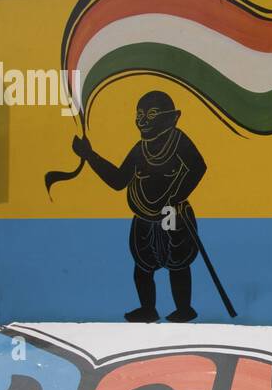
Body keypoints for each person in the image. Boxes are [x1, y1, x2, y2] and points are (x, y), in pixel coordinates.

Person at [72, 90, 207, 322]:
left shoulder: (178, 140)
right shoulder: (140, 149)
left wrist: (176, 197)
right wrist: (89, 155)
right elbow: (118, 181)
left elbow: (198, 167)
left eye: (151, 115)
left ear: (171, 117)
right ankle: (148, 308)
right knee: (142, 267)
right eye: (140, 115)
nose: (143, 121)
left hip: (171, 213)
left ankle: (183, 309)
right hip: (144, 217)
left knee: (178, 263)